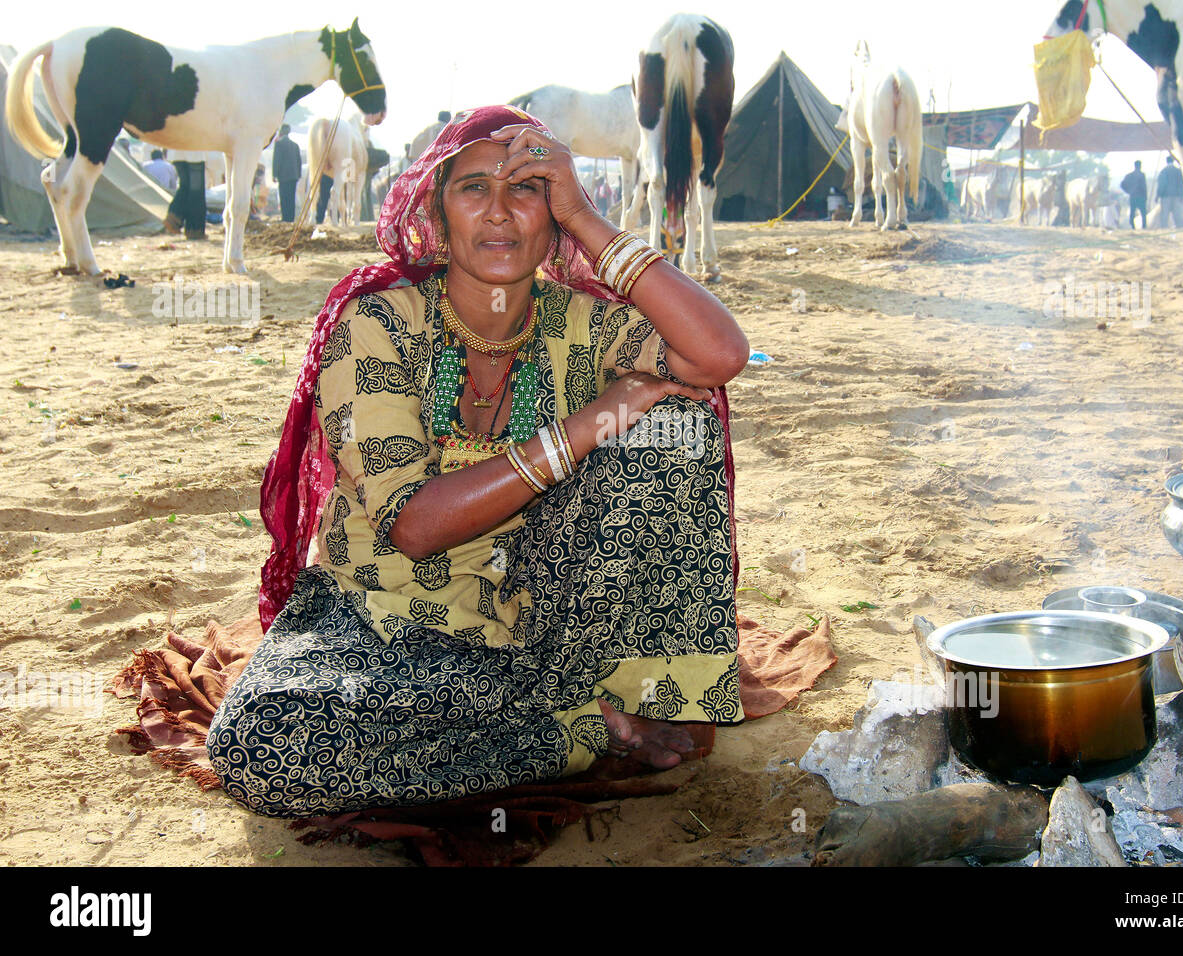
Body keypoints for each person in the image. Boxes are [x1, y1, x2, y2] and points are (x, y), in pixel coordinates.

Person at [206, 105, 750, 817]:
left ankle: (552, 702)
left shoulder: (580, 323)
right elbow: (415, 526)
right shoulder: (378, 326)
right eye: (473, 189)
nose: (499, 213)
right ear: (436, 212)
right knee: (259, 745)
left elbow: (719, 355)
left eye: (526, 189)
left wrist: (589, 219)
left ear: (552, 215)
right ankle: (580, 729)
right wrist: (588, 424)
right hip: (379, 617)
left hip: (535, 611)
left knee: (674, 427)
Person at [163, 150, 207, 240]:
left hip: (177, 153)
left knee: (185, 186)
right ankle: (195, 230)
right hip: (194, 153)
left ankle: (174, 217)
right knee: (196, 192)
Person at [272, 124, 302, 223]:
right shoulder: (295, 145)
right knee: (291, 197)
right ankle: (291, 218)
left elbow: (277, 160)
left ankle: (285, 218)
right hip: (293, 176)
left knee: (284, 198)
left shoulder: (279, 144)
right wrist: (298, 175)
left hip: (283, 176)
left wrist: (274, 174)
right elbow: (299, 161)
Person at [1155, 156, 1183, 229]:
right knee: (1177, 214)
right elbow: (1181, 184)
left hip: (1166, 196)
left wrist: (1158, 195)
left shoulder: (1164, 171)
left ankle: (1164, 228)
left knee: (1164, 214)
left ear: (1166, 161)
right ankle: (1179, 227)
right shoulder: (1178, 171)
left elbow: (1161, 184)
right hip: (1177, 196)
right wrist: (1182, 196)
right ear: (1173, 161)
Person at [1121, 160, 1148, 230]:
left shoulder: (1130, 175)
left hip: (1133, 196)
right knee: (1143, 213)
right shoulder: (1142, 175)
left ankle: (1133, 226)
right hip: (1141, 197)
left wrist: (1128, 191)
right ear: (1140, 166)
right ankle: (1144, 226)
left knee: (1132, 212)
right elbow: (1144, 187)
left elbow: (1122, 184)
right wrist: (1145, 197)